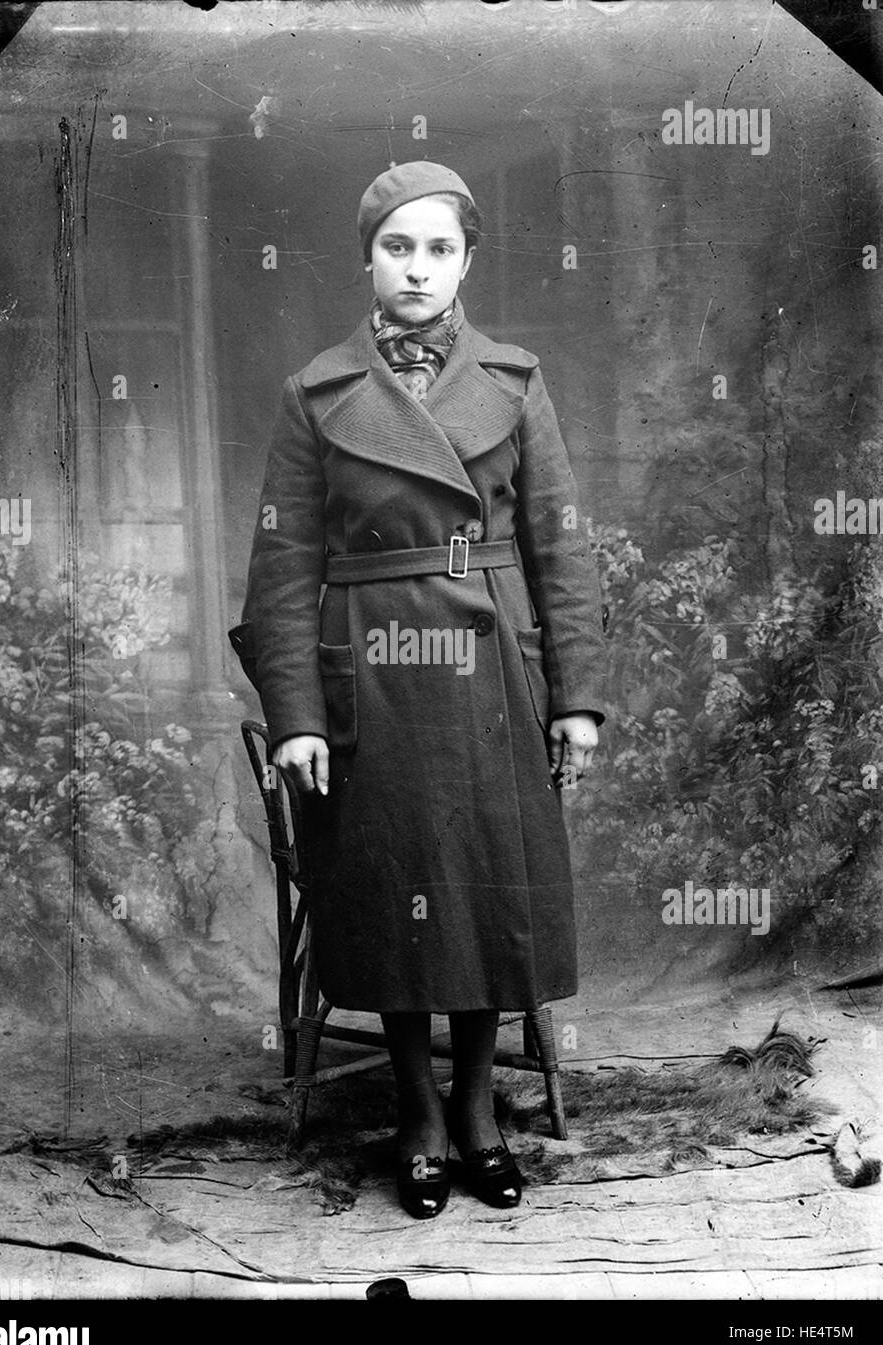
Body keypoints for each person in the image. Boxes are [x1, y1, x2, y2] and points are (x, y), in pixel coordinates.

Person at [230, 161, 608, 1218]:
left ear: (467, 261)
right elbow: (280, 569)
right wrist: (297, 714)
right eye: (399, 246)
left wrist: (575, 696)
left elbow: (564, 557)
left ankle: (480, 1104)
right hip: (372, 682)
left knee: (487, 887)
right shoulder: (316, 394)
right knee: (400, 880)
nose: (418, 267)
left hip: (491, 671)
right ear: (368, 258)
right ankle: (418, 1111)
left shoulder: (519, 385)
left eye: (440, 247)